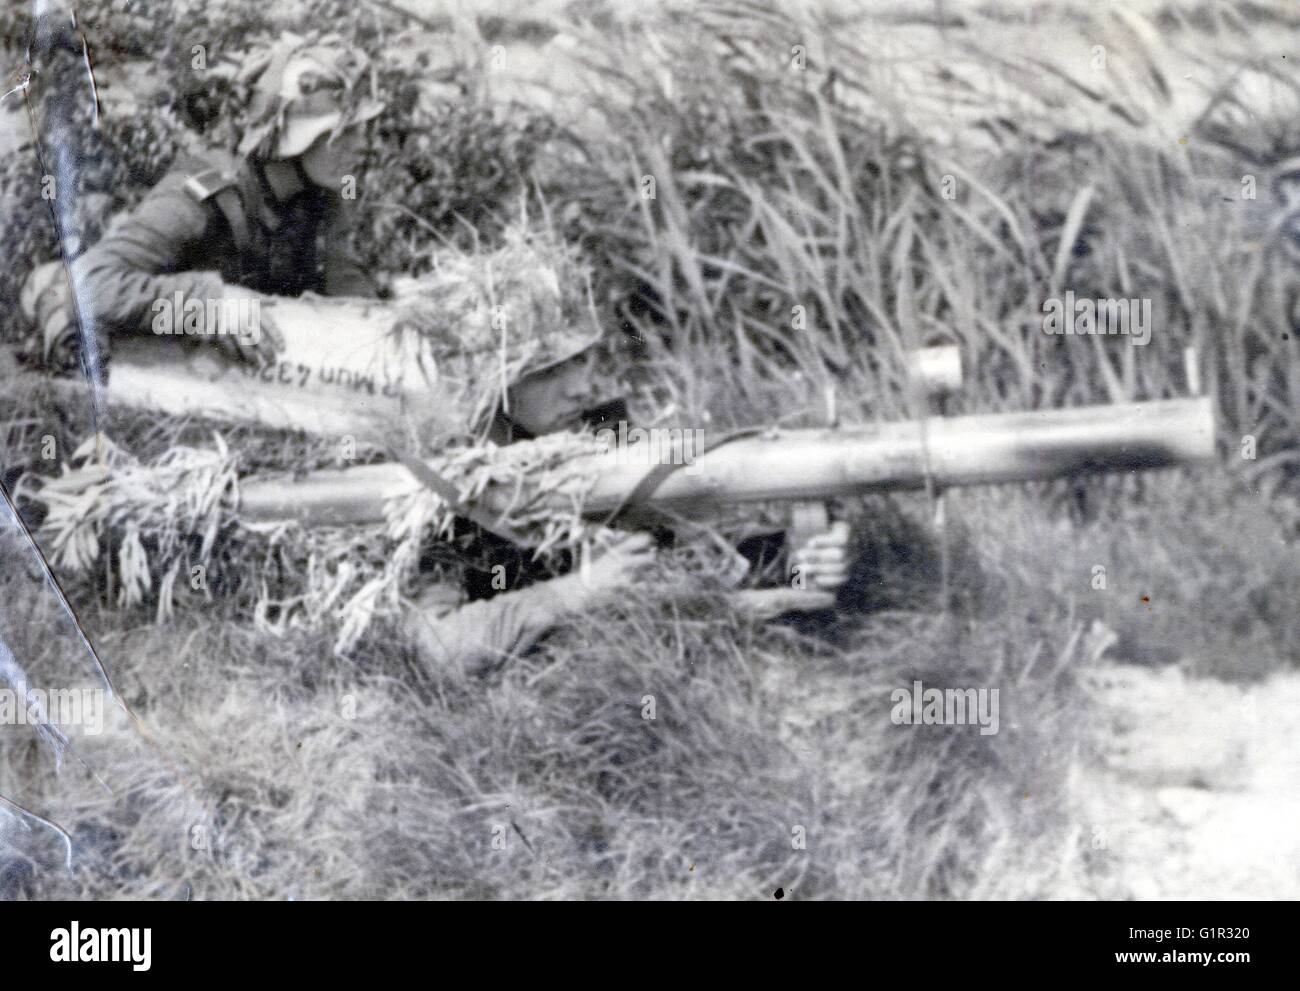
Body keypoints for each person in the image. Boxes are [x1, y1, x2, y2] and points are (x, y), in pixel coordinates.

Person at [402, 320, 853, 676]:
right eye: (549, 371)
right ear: (490, 388)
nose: (581, 387)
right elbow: (440, 651)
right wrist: (579, 590)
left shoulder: (603, 436)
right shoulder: (444, 490)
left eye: (580, 361)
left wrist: (797, 559)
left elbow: (699, 548)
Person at [21, 34, 384, 372]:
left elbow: (354, 300)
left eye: (363, 129)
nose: (364, 145)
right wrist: (208, 302)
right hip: (159, 368)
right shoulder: (203, 194)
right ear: (294, 134)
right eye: (345, 131)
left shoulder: (322, 199)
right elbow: (89, 283)